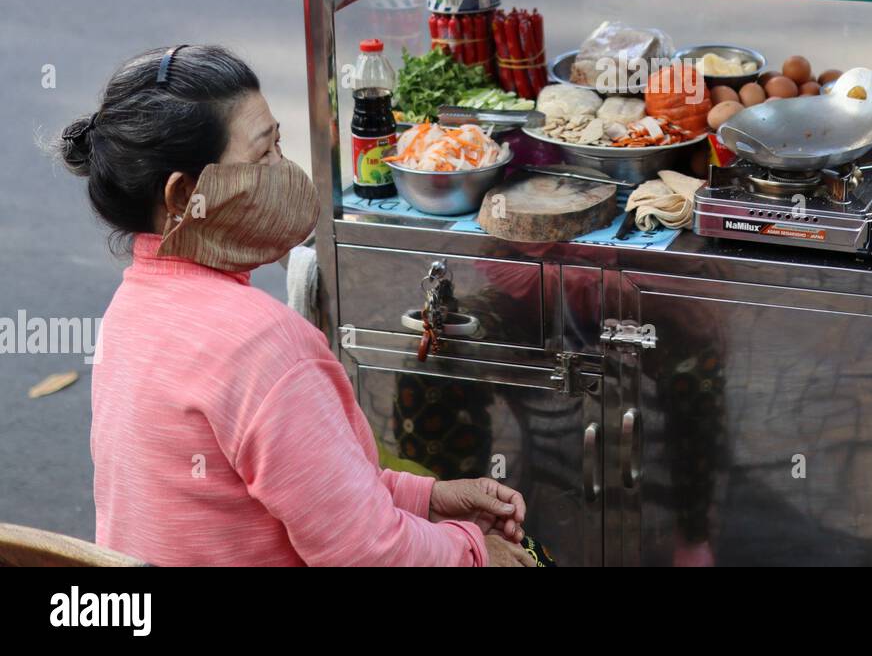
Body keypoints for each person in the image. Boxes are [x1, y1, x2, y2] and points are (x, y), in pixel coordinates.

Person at [57, 45, 533, 567]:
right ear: (182, 196)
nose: (283, 169)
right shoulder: (262, 344)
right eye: (263, 155)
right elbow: (370, 555)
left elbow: (297, 489)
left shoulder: (130, 310)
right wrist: (476, 552)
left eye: (278, 145)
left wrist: (429, 499)